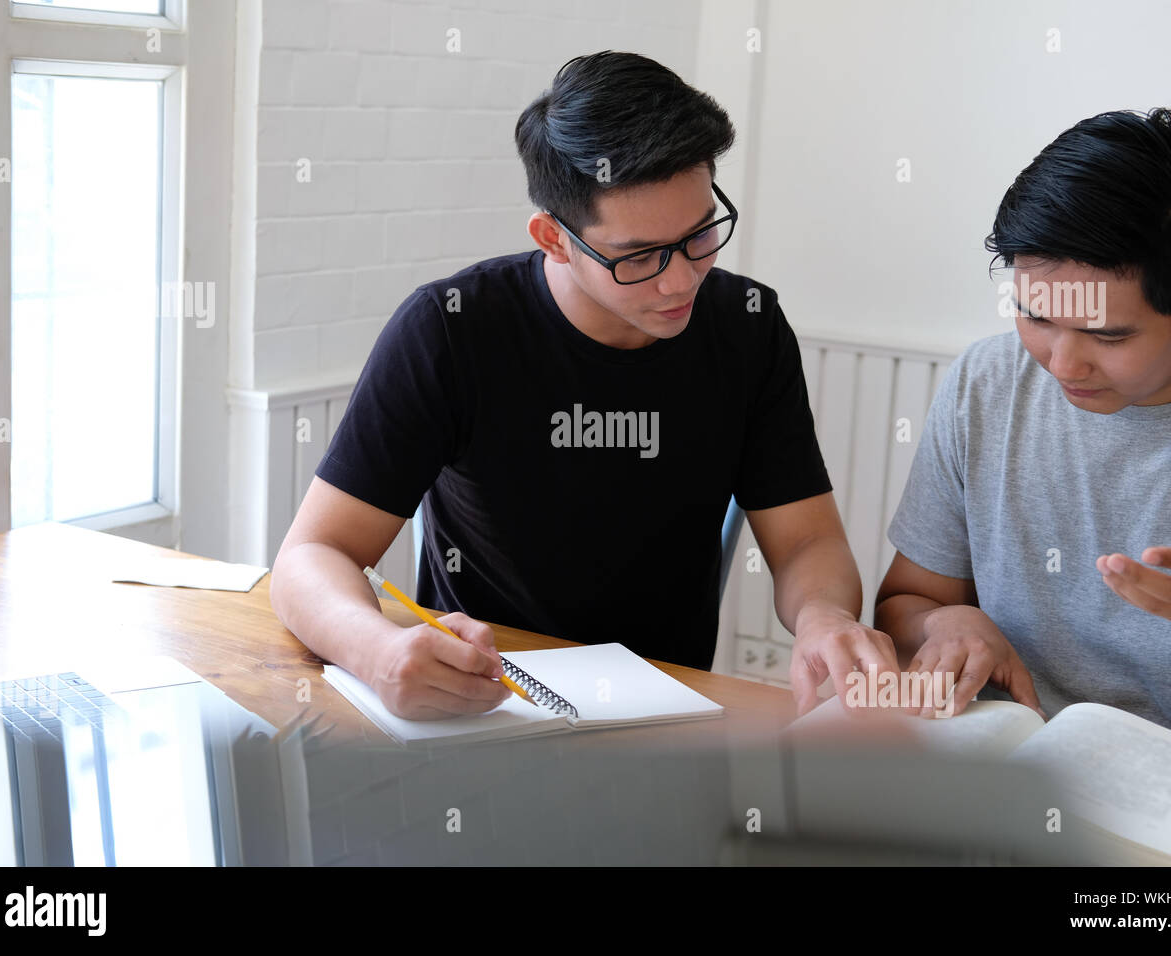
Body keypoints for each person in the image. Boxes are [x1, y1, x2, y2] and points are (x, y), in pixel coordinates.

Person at [270, 51, 898, 720]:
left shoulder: (747, 325)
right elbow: (312, 555)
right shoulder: (452, 329)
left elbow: (806, 539)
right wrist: (378, 651)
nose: (681, 279)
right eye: (639, 257)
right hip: (489, 698)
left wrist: (825, 618)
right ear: (555, 238)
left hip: (668, 703)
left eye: (699, 236)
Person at [874, 108, 1171, 754]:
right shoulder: (986, 384)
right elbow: (905, 602)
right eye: (1034, 315)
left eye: (1109, 335)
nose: (1061, 362)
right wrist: (952, 623)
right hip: (1005, 778)